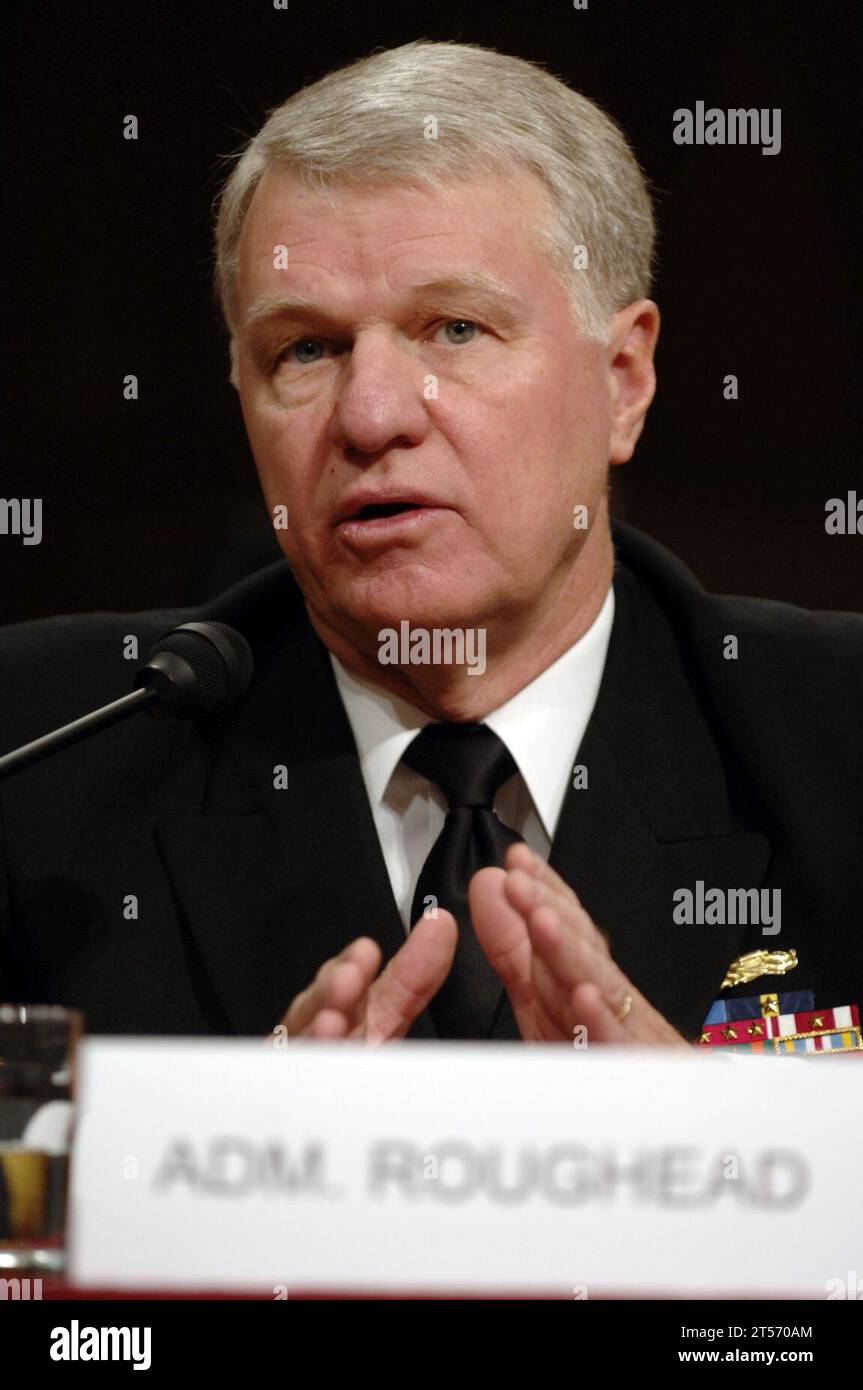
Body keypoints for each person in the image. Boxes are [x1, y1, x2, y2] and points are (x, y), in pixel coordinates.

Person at [1, 41, 860, 1051]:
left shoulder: (834, 738)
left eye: (452, 329)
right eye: (305, 350)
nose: (369, 416)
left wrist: (732, 1162)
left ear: (621, 381)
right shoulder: (39, 762)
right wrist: (207, 1165)